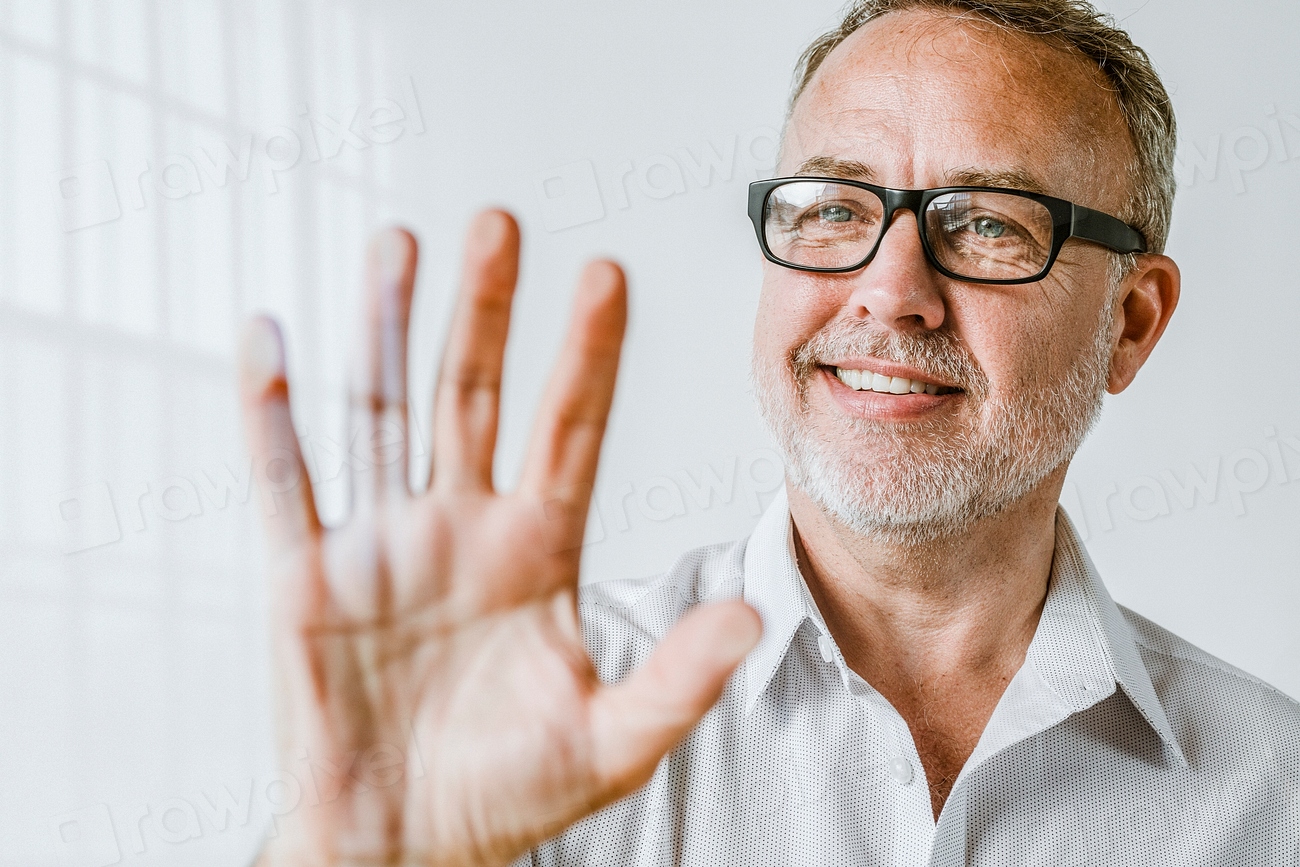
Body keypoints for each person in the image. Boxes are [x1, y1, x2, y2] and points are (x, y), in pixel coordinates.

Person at [236, 1, 1300, 864]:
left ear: (1130, 320)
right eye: (834, 209)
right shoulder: (520, 720)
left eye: (985, 222)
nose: (891, 294)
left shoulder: (1274, 797)